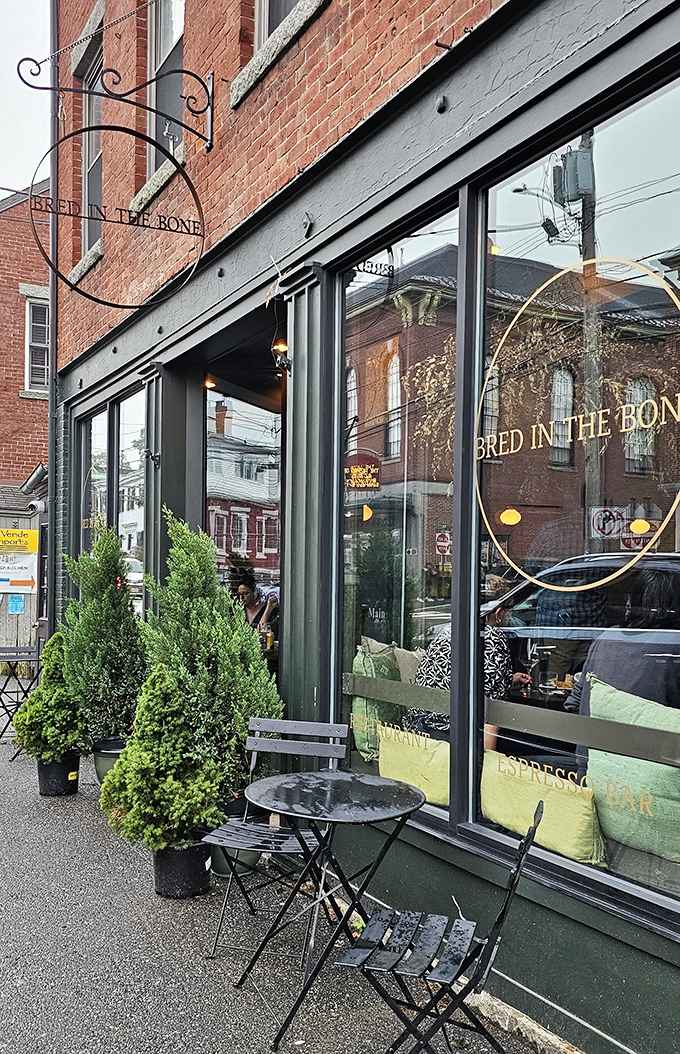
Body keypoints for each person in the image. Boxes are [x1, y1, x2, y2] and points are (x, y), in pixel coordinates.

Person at [402, 593, 530, 742]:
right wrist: (486, 762)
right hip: (454, 736)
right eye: (510, 608)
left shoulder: (451, 630)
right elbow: (491, 709)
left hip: (420, 729)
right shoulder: (493, 638)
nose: (511, 613)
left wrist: (509, 679)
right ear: (498, 613)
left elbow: (466, 678)